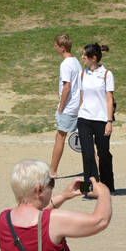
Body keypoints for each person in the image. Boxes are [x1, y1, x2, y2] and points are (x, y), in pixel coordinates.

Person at [77, 43, 115, 194]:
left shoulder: (107, 74)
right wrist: (78, 116)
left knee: (103, 154)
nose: (82, 58)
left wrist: (109, 121)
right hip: (84, 119)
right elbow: (81, 97)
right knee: (87, 155)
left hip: (101, 120)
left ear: (93, 58)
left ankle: (107, 187)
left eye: (85, 56)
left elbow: (109, 99)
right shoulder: (82, 74)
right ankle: (88, 189)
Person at [49, 34, 82, 176]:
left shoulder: (65, 65)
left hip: (68, 107)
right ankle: (99, 170)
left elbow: (66, 87)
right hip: (78, 107)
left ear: (62, 48)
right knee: (85, 142)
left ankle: (52, 171)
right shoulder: (76, 62)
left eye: (56, 45)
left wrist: (61, 107)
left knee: (60, 137)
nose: (54, 48)